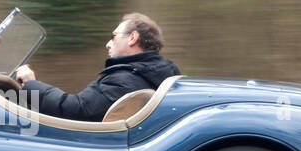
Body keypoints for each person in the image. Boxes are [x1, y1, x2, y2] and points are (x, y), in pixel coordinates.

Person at [14, 12, 181, 121]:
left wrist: (31, 85)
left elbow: (76, 111)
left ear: (132, 38)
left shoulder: (126, 79)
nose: (107, 44)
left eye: (113, 37)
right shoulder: (155, 74)